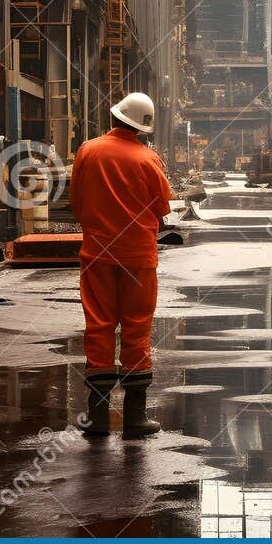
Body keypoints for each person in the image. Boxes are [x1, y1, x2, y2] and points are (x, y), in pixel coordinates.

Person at [67, 91, 174, 438]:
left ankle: (98, 419)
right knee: (136, 327)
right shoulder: (148, 160)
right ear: (142, 129)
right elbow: (162, 207)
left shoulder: (88, 151)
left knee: (98, 326)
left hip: (97, 253)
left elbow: (77, 201)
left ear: (114, 117)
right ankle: (134, 417)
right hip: (138, 258)